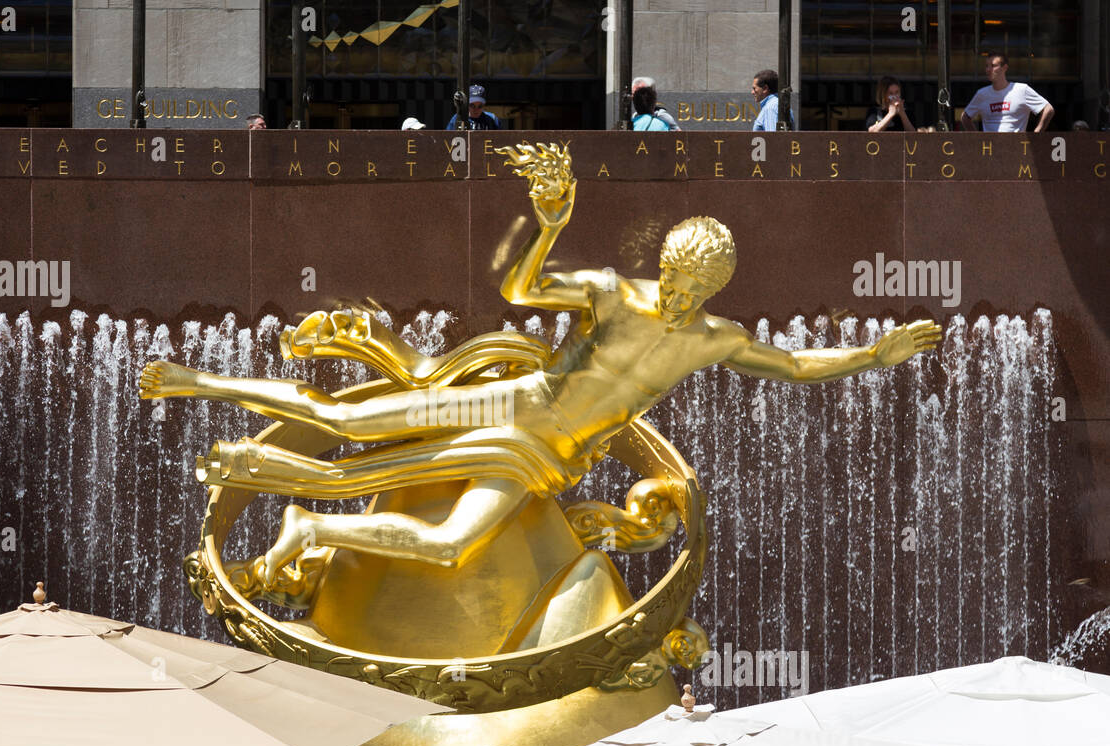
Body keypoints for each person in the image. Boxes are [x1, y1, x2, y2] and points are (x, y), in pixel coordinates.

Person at [140, 144, 939, 581]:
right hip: (507, 406)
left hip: (547, 460)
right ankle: (194, 381)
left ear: (714, 286)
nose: (673, 285)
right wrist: (549, 223)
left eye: (691, 280)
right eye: (669, 269)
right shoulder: (611, 292)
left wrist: (874, 354)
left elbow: (795, 367)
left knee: (454, 545)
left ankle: (309, 522)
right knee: (344, 415)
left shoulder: (715, 339)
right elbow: (519, 284)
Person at [960, 53, 1054, 132]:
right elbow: (965, 117)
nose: (988, 70)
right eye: (987, 66)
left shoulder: (1021, 89)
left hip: (1016, 148)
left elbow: (1048, 109)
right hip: (990, 150)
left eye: (993, 66)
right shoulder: (982, 94)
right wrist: (976, 139)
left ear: (1004, 68)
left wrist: (1037, 133)